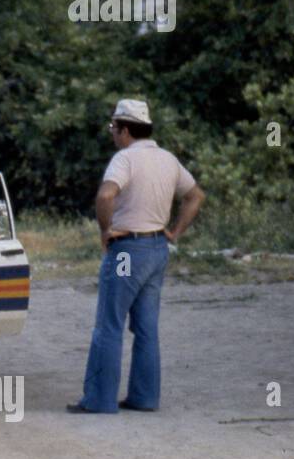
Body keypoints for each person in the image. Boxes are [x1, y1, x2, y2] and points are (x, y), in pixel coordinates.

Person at [68, 99, 205, 415]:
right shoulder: (168, 159)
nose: (113, 134)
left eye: (114, 128)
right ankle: (144, 397)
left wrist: (106, 230)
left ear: (125, 129)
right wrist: (176, 232)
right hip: (157, 248)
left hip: (127, 249)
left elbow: (105, 195)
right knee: (146, 327)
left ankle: (99, 400)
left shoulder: (124, 159)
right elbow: (195, 196)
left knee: (109, 323)